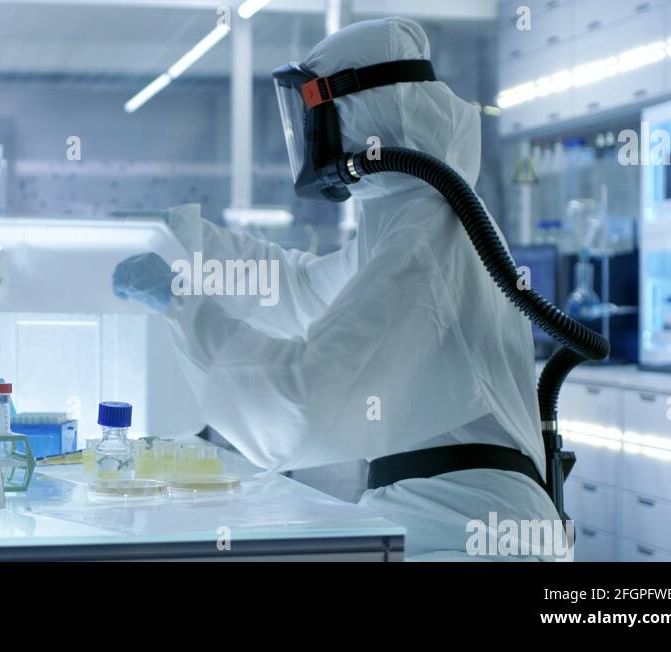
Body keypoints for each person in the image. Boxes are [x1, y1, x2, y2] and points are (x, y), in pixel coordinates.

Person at [113, 17, 563, 560]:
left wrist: (182, 306)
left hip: (473, 531)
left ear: (356, 114)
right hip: (441, 515)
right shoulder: (405, 217)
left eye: (312, 116)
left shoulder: (425, 231)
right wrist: (188, 242)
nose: (306, 137)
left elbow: (308, 396)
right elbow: (303, 292)